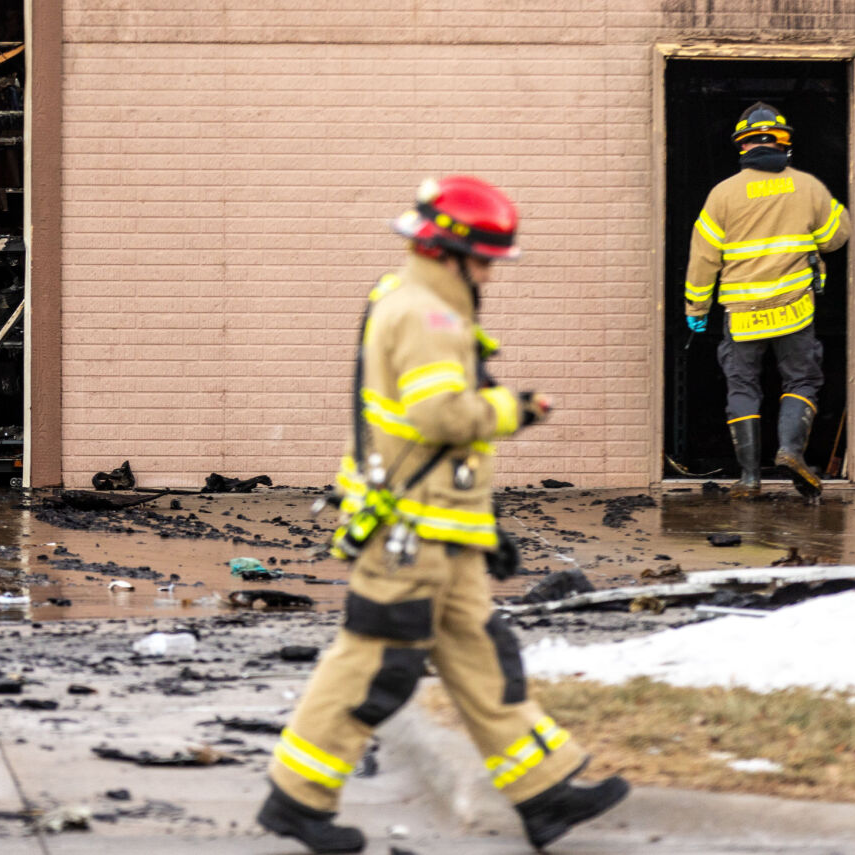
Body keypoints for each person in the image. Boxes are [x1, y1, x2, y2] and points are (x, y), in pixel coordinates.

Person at [258, 177, 628, 854]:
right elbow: (438, 416)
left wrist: (480, 529)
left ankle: (543, 794)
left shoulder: (408, 299)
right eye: (485, 258)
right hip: (412, 530)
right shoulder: (427, 316)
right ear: (451, 251)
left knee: (485, 660)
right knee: (375, 663)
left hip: (437, 527)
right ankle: (296, 798)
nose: (490, 271)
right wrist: (514, 410)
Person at [684, 103, 850, 497]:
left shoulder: (722, 194)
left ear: (741, 146)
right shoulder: (807, 186)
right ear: (785, 143)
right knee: (802, 379)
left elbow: (703, 258)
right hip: (794, 307)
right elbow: (835, 237)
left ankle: (749, 479)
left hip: (742, 313)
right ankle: (791, 451)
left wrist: (696, 309)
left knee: (742, 386)